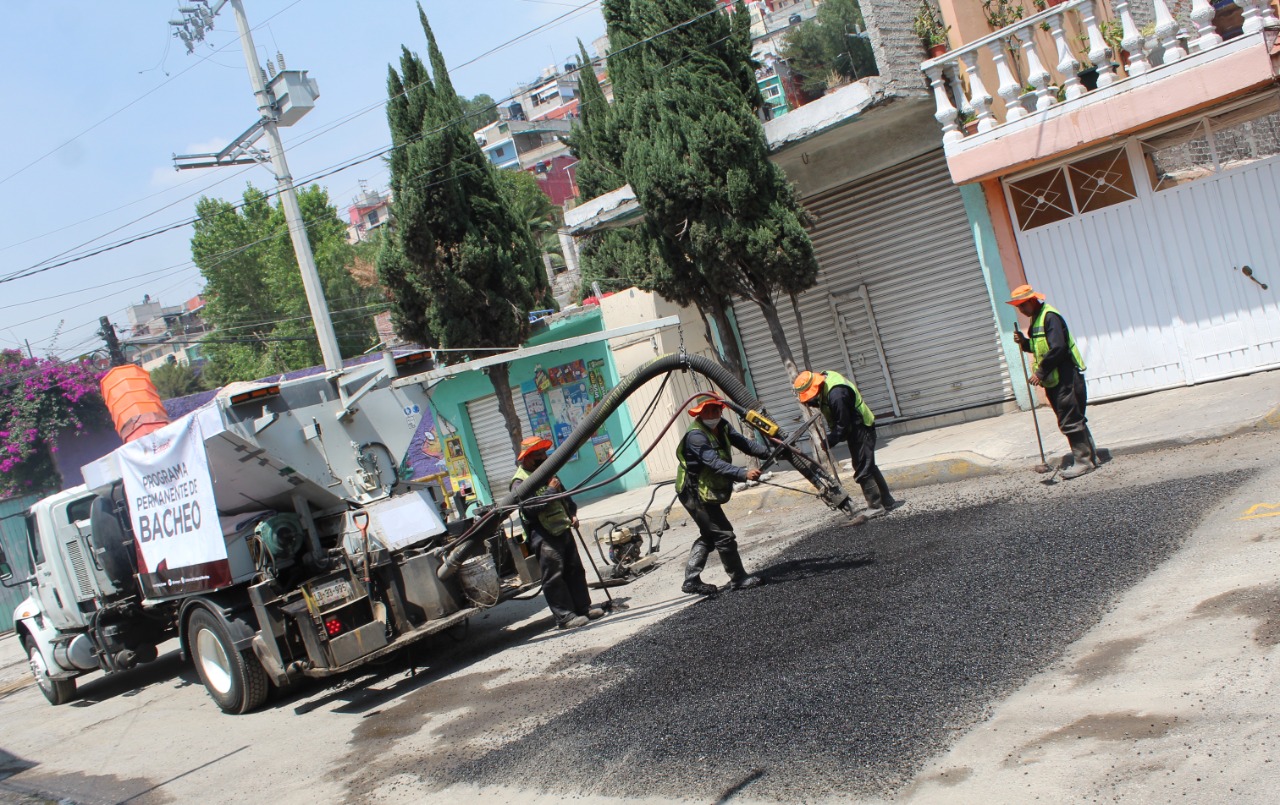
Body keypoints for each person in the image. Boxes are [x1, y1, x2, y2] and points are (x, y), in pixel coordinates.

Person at [675, 398, 772, 596]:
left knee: (711, 535)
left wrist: (769, 452)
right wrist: (743, 473)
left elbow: (745, 444)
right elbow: (714, 463)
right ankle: (738, 578)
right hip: (693, 491)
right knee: (723, 534)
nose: (712, 416)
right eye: (707, 412)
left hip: (704, 487)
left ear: (721, 410)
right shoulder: (696, 436)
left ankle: (691, 580)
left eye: (715, 411)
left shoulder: (723, 426)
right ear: (699, 414)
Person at [511, 436, 603, 629]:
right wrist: (551, 491)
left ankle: (582, 608)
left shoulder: (548, 473)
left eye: (544, 453)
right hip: (542, 533)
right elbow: (529, 509)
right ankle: (565, 617)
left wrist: (572, 513)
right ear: (526, 458)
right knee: (554, 576)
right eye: (539, 454)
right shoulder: (520, 482)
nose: (544, 457)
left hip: (562, 526)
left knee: (575, 569)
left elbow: (564, 496)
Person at [1008, 284, 1099, 479]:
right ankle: (1091, 457)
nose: (1021, 311)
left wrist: (1040, 372)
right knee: (1073, 417)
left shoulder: (1050, 317)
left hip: (1065, 377)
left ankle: (1083, 462)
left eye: (1022, 306)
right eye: (1018, 307)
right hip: (1057, 378)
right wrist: (1024, 342)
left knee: (1070, 419)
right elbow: (1040, 345)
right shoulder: (1037, 318)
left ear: (1032, 301)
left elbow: (1057, 348)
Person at [793, 369, 897, 518]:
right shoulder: (826, 379)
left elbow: (843, 425)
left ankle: (876, 506)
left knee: (862, 467)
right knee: (868, 464)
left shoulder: (837, 395)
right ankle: (887, 500)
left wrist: (830, 440)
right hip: (856, 426)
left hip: (860, 427)